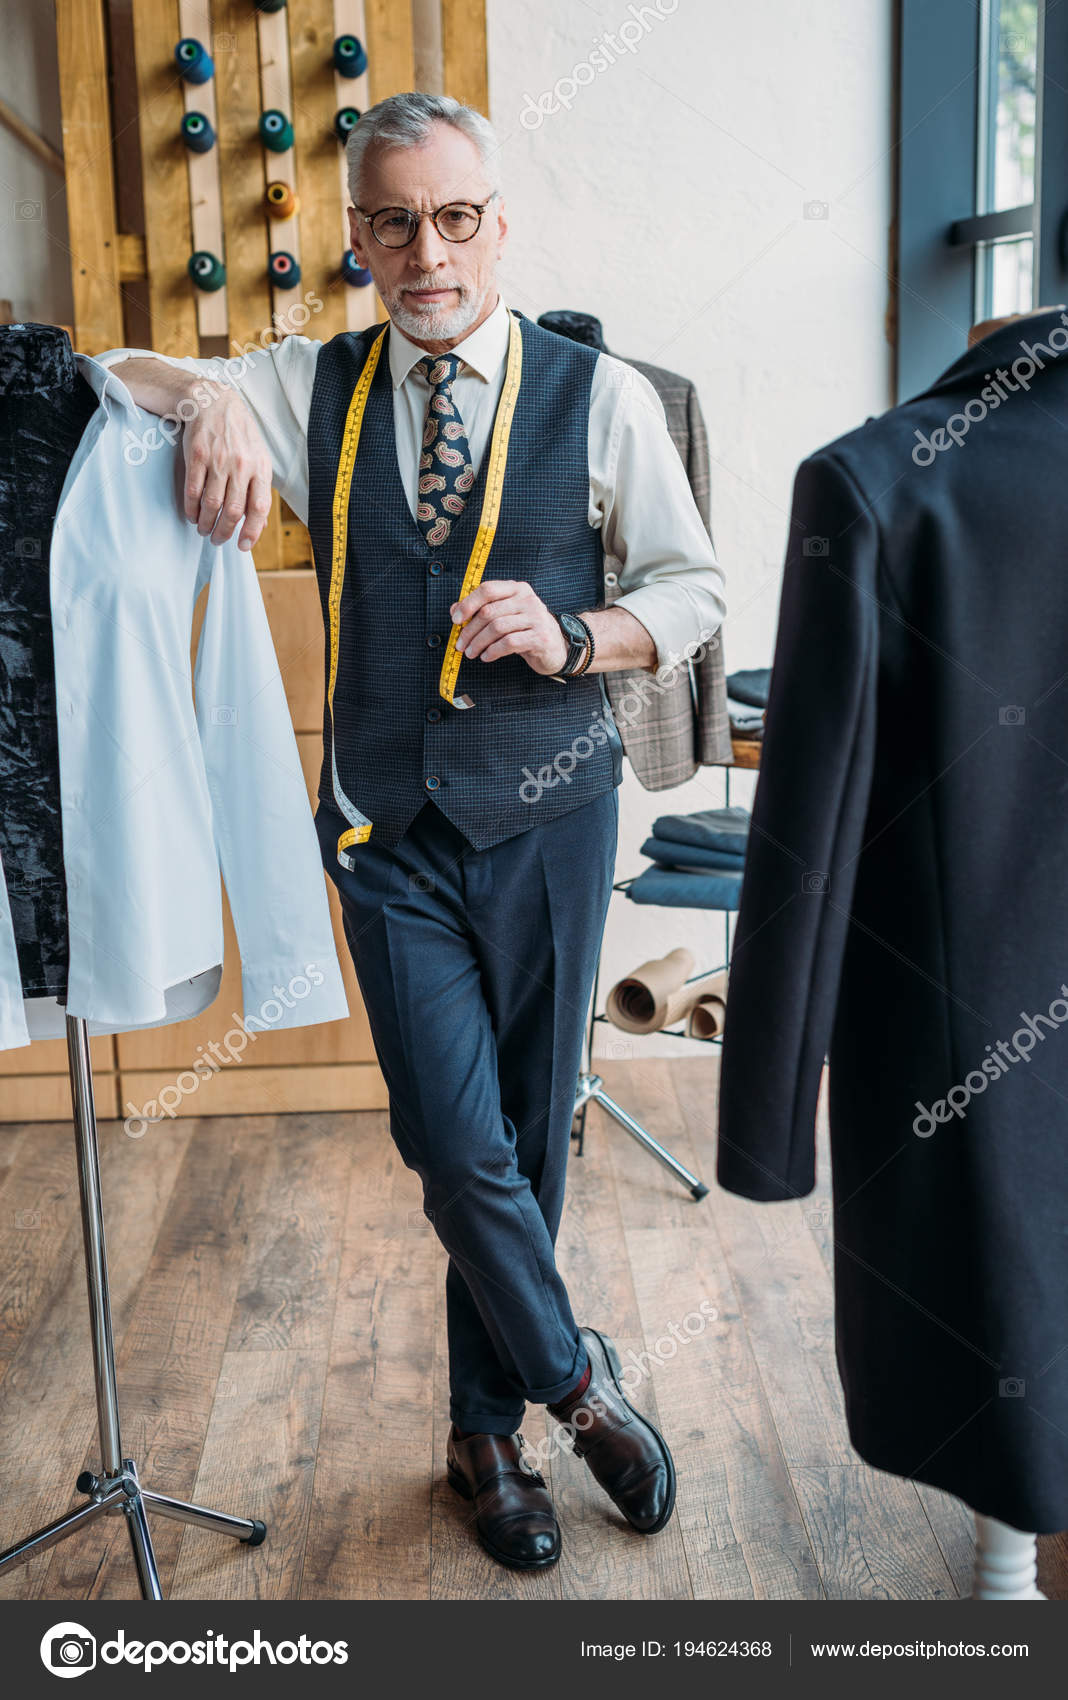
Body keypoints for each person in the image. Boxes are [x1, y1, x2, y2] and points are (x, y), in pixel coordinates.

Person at [101, 91, 725, 1573]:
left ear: (498, 224)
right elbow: (114, 370)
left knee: (524, 1140)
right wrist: (203, 398)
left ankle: (480, 1434)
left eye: (455, 219)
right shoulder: (307, 380)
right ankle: (578, 1388)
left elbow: (694, 591)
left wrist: (577, 633)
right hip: (387, 833)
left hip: (553, 820)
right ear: (359, 236)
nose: (426, 252)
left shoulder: (602, 393)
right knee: (450, 1138)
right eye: (393, 223)